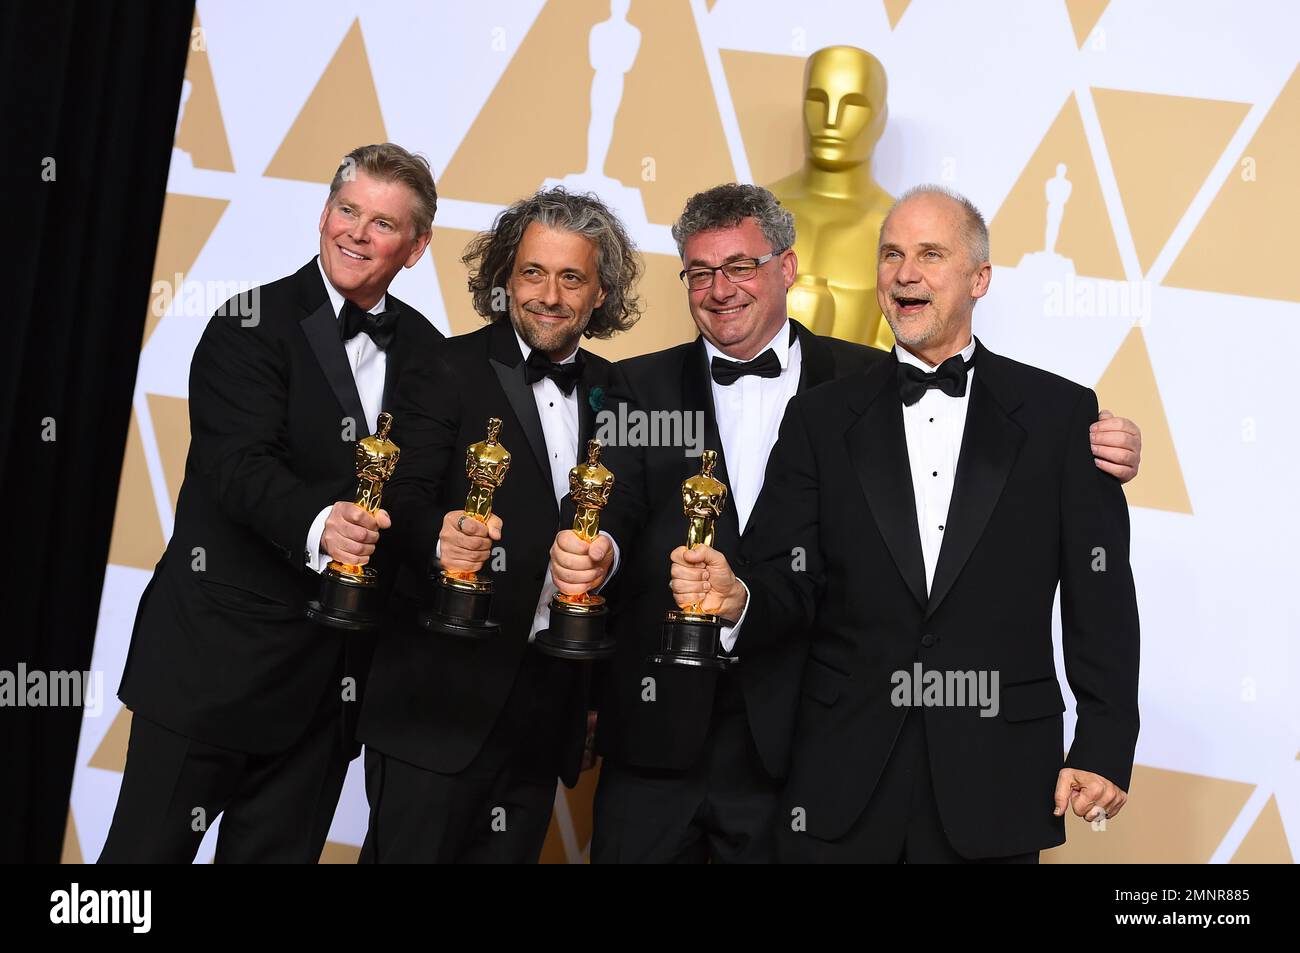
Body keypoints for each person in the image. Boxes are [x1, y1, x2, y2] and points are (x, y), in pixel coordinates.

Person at [551, 183, 1142, 863]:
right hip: (836, 767)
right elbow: (781, 567)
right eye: (891, 254)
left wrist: (1103, 740)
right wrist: (735, 594)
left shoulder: (1062, 415)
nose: (905, 271)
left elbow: (1101, 599)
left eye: (929, 254)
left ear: (980, 277)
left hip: (994, 767)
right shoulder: (828, 415)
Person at [101, 143, 440, 863]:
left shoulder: (431, 355)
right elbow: (237, 465)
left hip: (328, 693)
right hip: (210, 666)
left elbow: (420, 495)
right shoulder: (249, 321)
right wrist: (324, 525)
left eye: (382, 223)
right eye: (347, 210)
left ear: (416, 247)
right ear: (323, 214)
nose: (355, 231)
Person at [357, 188, 641, 863]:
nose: (549, 293)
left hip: (545, 716)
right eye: (533, 272)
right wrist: (438, 536)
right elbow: (396, 497)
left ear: (600, 292)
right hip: (436, 706)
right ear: (505, 278)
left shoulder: (620, 391)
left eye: (572, 276)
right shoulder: (441, 367)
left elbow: (625, 519)